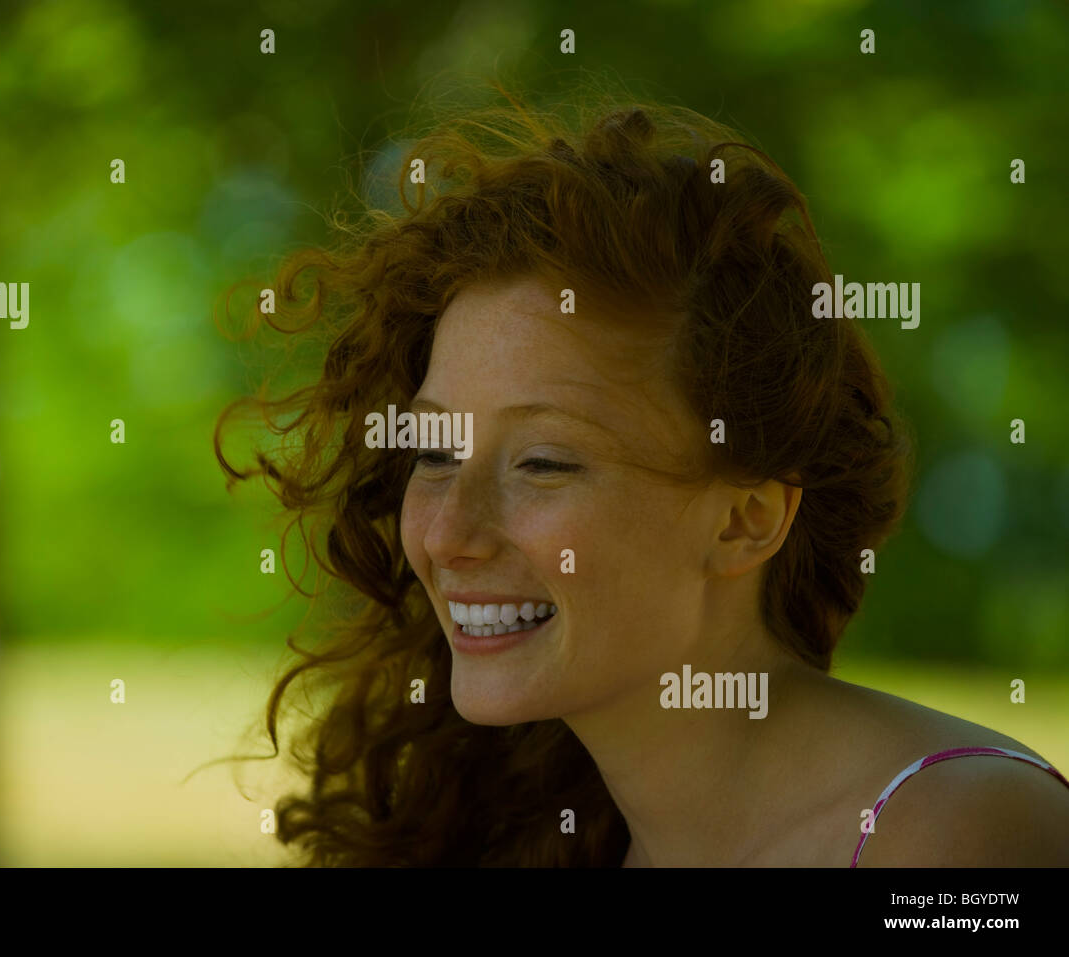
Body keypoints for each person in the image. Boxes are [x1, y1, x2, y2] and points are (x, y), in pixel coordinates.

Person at [214, 82, 1069, 866]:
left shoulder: (958, 836)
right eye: (434, 452)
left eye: (544, 462)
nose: (445, 532)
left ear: (747, 518)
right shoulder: (562, 833)